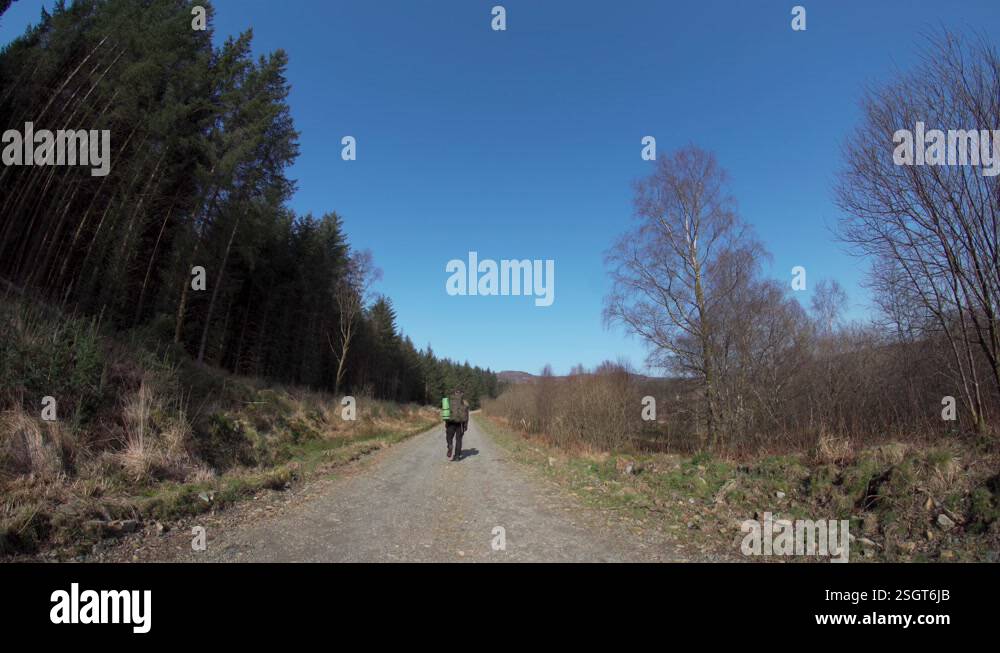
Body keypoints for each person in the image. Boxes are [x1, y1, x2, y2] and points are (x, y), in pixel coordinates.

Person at [444, 387, 469, 461]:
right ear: (462, 394)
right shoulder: (465, 402)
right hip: (460, 424)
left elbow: (446, 412)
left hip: (450, 423)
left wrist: (446, 422)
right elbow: (466, 415)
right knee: (459, 440)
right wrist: (465, 425)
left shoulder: (449, 400)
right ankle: (457, 456)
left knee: (449, 437)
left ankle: (450, 445)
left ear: (454, 393)